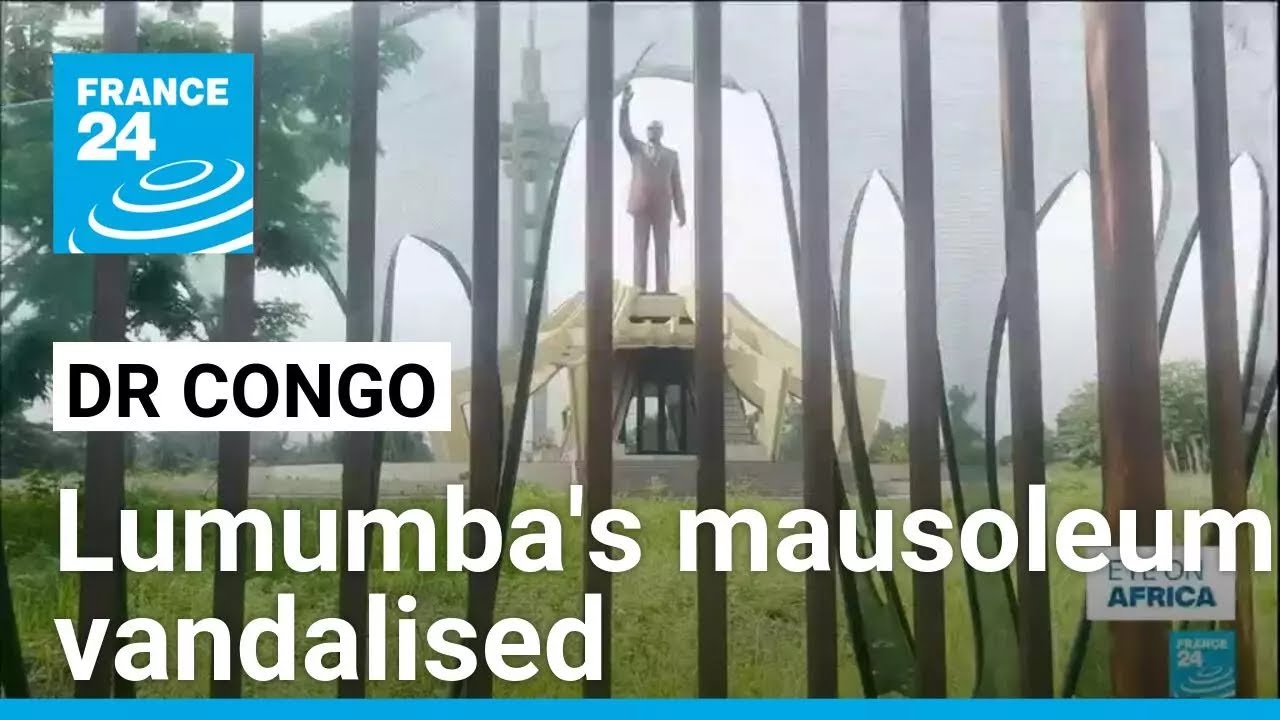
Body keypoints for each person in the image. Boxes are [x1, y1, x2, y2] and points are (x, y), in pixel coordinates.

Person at [619, 83, 686, 293]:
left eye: (656, 129)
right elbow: (624, 132)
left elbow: (677, 185)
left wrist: (681, 212)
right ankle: (639, 288)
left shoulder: (671, 155)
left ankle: (662, 289)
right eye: (649, 129)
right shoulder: (636, 149)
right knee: (640, 248)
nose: (652, 132)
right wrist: (624, 106)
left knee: (662, 249)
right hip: (641, 205)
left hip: (662, 207)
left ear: (661, 132)